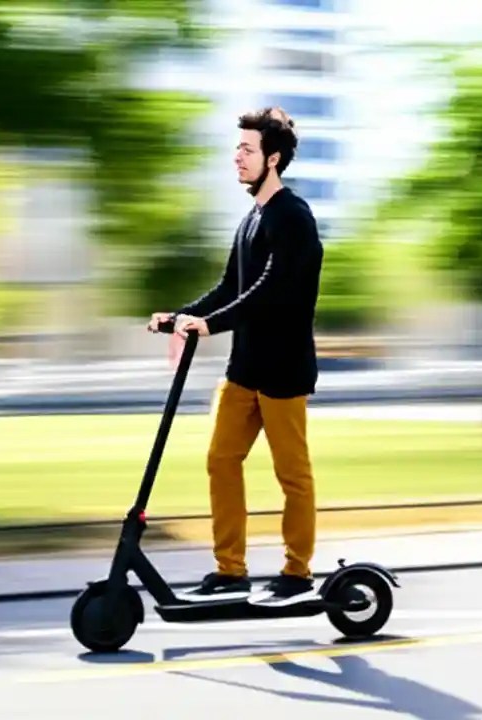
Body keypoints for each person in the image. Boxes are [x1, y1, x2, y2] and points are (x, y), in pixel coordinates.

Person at [147, 107, 324, 600]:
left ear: (273, 158)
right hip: (243, 369)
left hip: (283, 373)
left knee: (293, 475)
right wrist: (179, 316)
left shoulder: (293, 217)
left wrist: (211, 324)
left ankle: (297, 572)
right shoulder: (252, 219)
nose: (237, 158)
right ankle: (231, 570)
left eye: (247, 150)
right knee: (221, 461)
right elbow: (231, 286)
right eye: (237, 149)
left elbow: (272, 289)